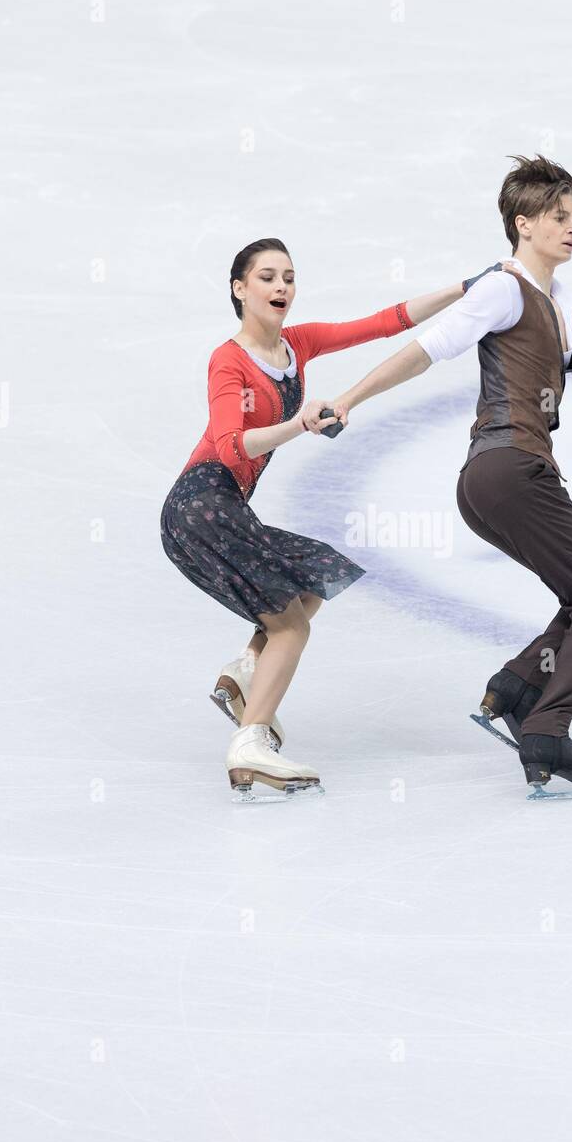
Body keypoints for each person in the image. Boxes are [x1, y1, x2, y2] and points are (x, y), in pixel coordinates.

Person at [333, 157, 572, 795]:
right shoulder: (503, 289)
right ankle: (548, 727)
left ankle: (519, 687)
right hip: (508, 470)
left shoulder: (566, 305)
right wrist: (348, 399)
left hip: (507, 476)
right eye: (559, 217)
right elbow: (424, 351)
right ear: (523, 225)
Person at [160, 237, 489, 799]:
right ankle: (250, 741)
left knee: (314, 574)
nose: (281, 286)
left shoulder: (298, 345)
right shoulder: (228, 359)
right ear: (240, 289)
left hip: (222, 506)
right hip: (201, 504)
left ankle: (245, 672)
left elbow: (383, 323)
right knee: (292, 625)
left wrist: (465, 288)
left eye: (288, 276)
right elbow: (231, 443)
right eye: (266, 277)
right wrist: (302, 424)